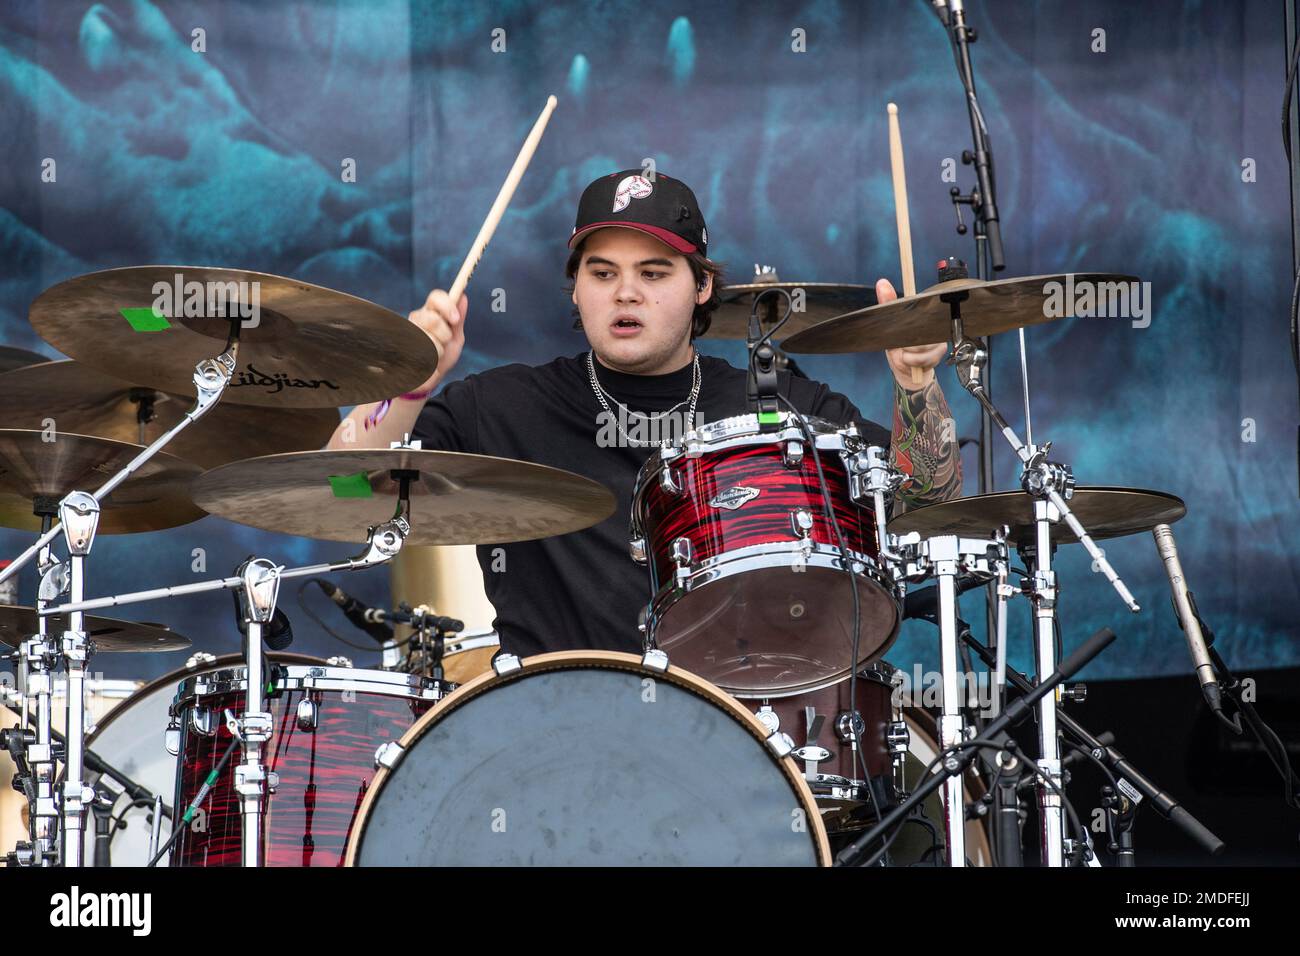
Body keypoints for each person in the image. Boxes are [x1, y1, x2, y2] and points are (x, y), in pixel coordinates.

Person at [327, 169, 962, 658]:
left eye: (654, 272)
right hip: (544, 736)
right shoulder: (500, 407)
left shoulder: (781, 406)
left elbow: (926, 502)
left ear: (703, 287)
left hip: (739, 732)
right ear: (575, 287)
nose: (625, 291)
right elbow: (341, 490)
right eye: (602, 273)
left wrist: (915, 385)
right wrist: (410, 383)